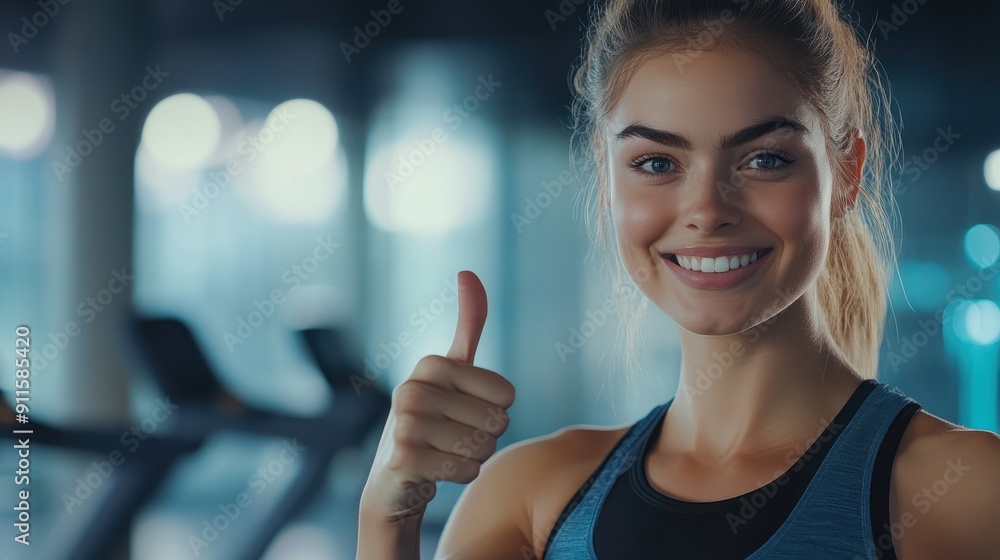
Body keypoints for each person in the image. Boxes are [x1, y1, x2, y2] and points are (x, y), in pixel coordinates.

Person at [356, 0, 1000, 558]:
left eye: (765, 159)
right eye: (658, 161)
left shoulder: (962, 490)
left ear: (846, 173)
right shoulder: (527, 495)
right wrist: (387, 516)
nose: (707, 210)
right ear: (608, 181)